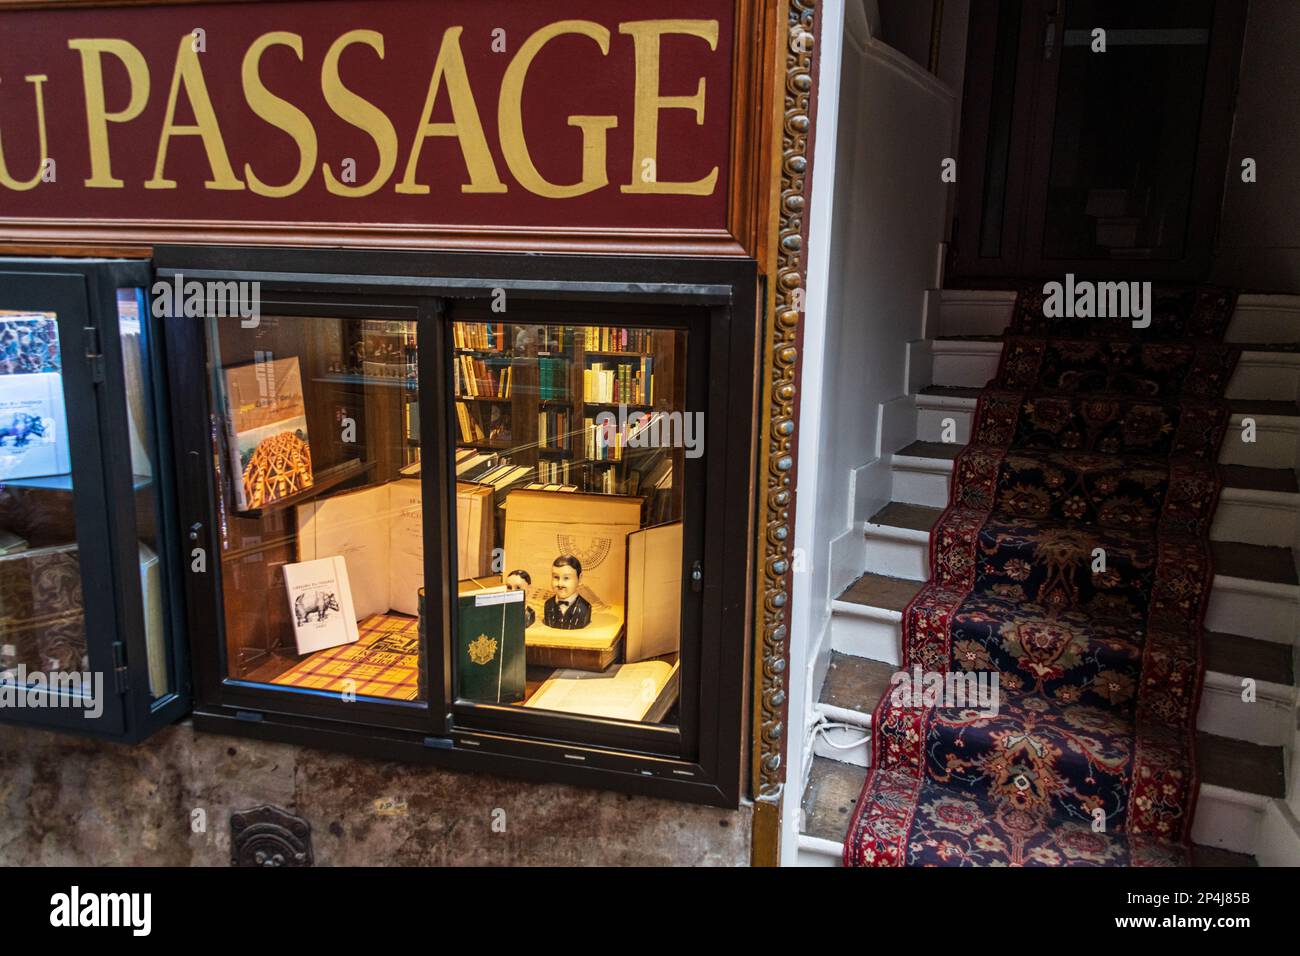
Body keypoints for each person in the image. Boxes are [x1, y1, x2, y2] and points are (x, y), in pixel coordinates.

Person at [542, 554, 591, 629]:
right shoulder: (548, 605)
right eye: (556, 577)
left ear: (579, 579)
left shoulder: (584, 608)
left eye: (566, 578)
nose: (560, 584)